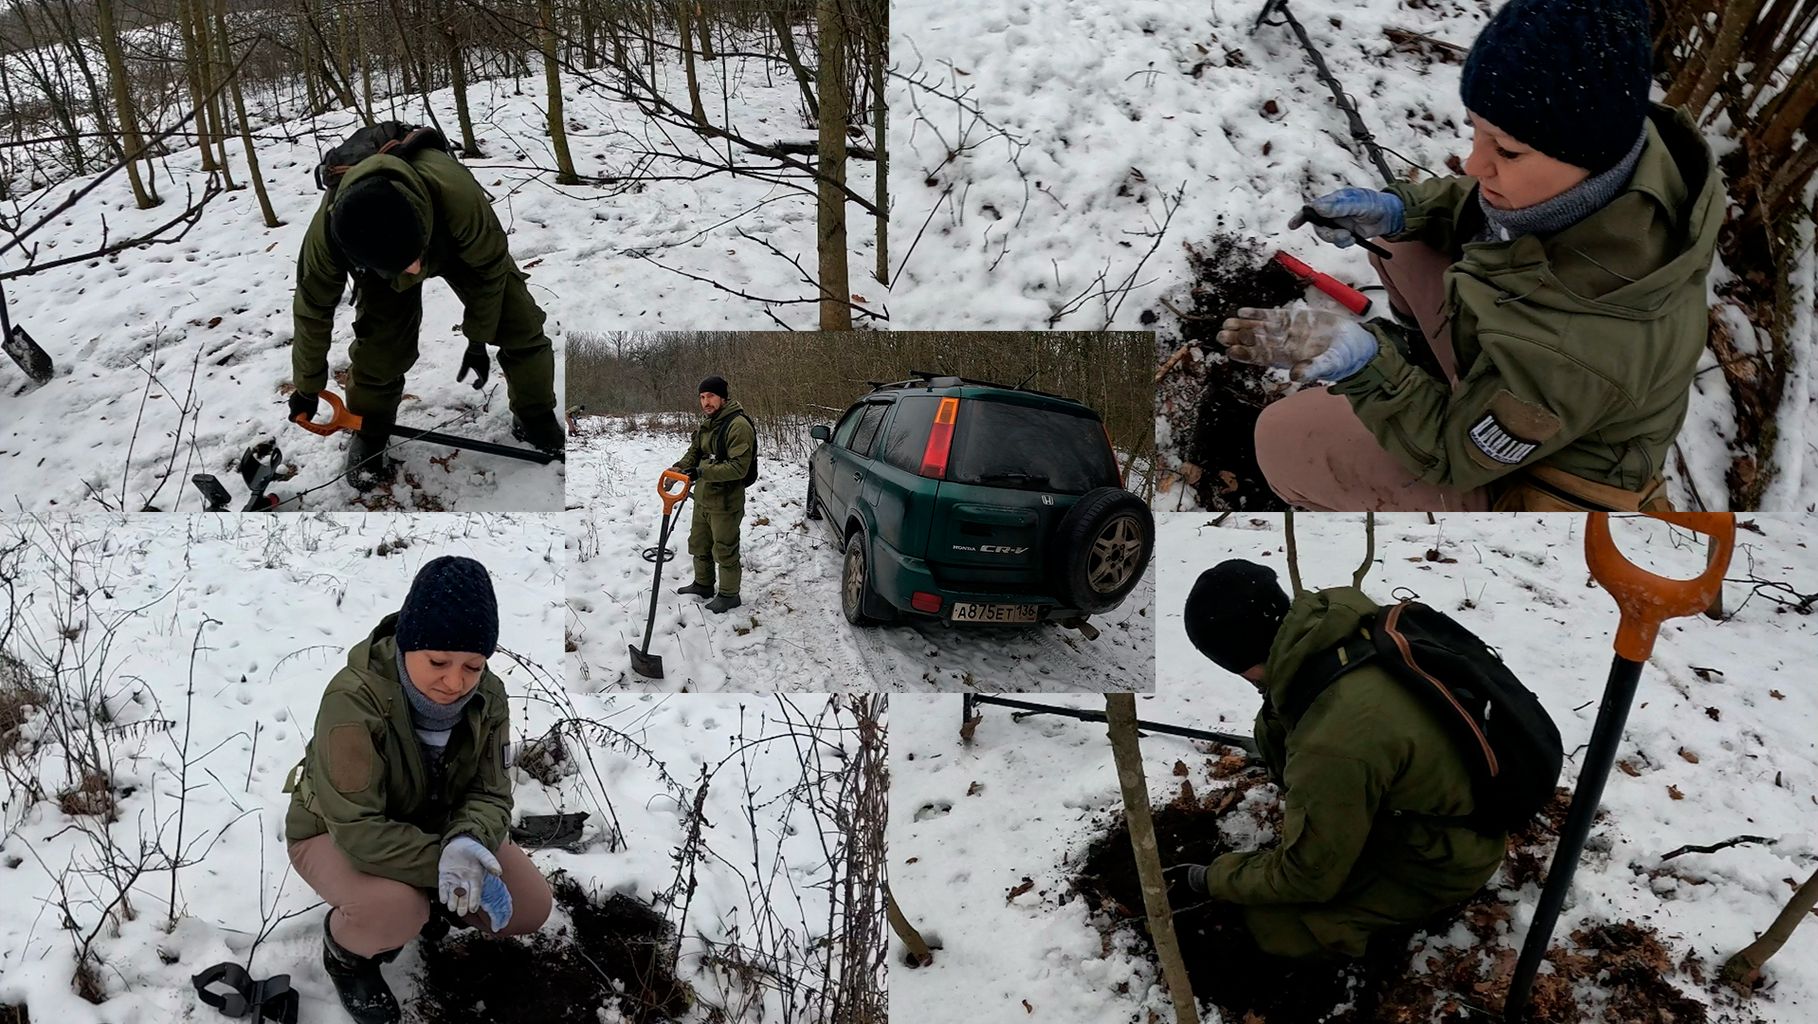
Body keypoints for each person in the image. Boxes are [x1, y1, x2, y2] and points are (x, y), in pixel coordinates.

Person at [1222, 0, 1721, 512]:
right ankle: (1437, 374)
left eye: (1505, 151)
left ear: (1587, 157)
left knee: (1284, 438)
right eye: (1476, 130)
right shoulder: (1609, 160)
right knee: (1404, 241)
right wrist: (1400, 210)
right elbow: (1484, 206)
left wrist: (1370, 367)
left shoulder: (1583, 342)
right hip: (1530, 364)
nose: (1474, 161)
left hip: (1536, 474)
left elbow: (1455, 453)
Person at [1173, 559, 1504, 960]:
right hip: (1444, 800)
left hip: (1443, 856)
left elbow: (1308, 878)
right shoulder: (1342, 629)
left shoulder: (1331, 741)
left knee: (1273, 928)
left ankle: (1403, 928)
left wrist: (1213, 878)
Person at [284, 556, 553, 1024]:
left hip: (436, 825)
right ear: (409, 644)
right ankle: (347, 955)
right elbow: (358, 829)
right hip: (330, 831)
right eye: (438, 661)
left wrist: (467, 842)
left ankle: (440, 899)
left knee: (530, 907)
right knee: (396, 909)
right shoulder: (353, 700)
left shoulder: (489, 696)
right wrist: (444, 863)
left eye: (473, 665)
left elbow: (491, 794)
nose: (455, 682)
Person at [290, 124, 564, 491]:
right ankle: (369, 431)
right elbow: (312, 310)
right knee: (380, 354)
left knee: (521, 327)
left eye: (414, 260)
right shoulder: (328, 238)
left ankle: (535, 415)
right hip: (380, 267)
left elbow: (489, 271)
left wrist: (478, 339)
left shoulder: (458, 197)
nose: (416, 273)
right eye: (406, 267)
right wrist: (307, 386)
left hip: (448, 238)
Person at [671, 376, 755, 614]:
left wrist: (699, 471)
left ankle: (729, 595)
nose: (705, 402)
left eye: (710, 396)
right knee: (699, 543)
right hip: (703, 497)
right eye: (702, 397)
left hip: (726, 501)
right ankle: (703, 584)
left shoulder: (738, 425)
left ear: (723, 398)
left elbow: (739, 468)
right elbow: (694, 452)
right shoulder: (708, 422)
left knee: (725, 549)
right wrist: (678, 469)